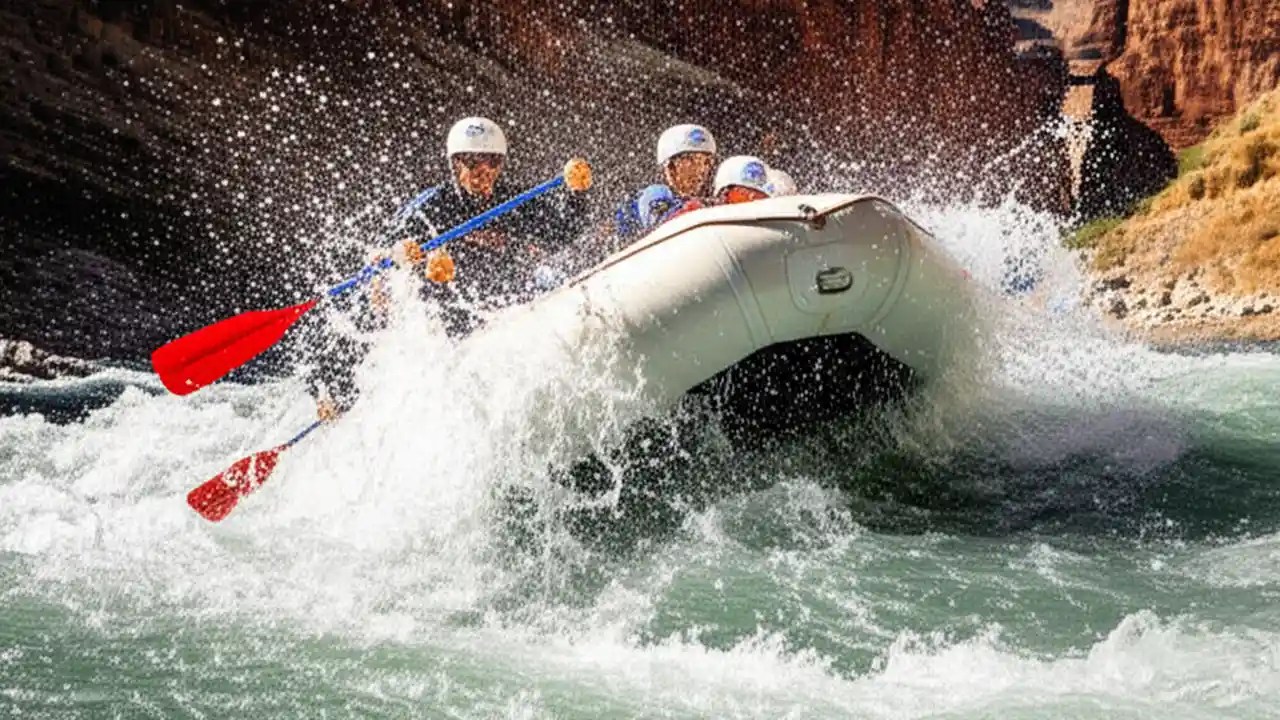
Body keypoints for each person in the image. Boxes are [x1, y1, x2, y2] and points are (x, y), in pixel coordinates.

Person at [307, 116, 593, 420]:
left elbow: (563, 234)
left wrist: (578, 194)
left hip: (503, 309)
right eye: (473, 162)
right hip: (446, 325)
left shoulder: (514, 201)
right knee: (374, 310)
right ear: (456, 164)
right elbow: (378, 258)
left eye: (493, 162)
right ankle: (331, 391)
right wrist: (402, 252)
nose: (484, 172)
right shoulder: (431, 206)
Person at [612, 123, 718, 240]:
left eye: (706, 162)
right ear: (670, 167)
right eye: (691, 160)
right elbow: (664, 226)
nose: (701, 169)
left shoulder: (705, 199)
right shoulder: (653, 194)